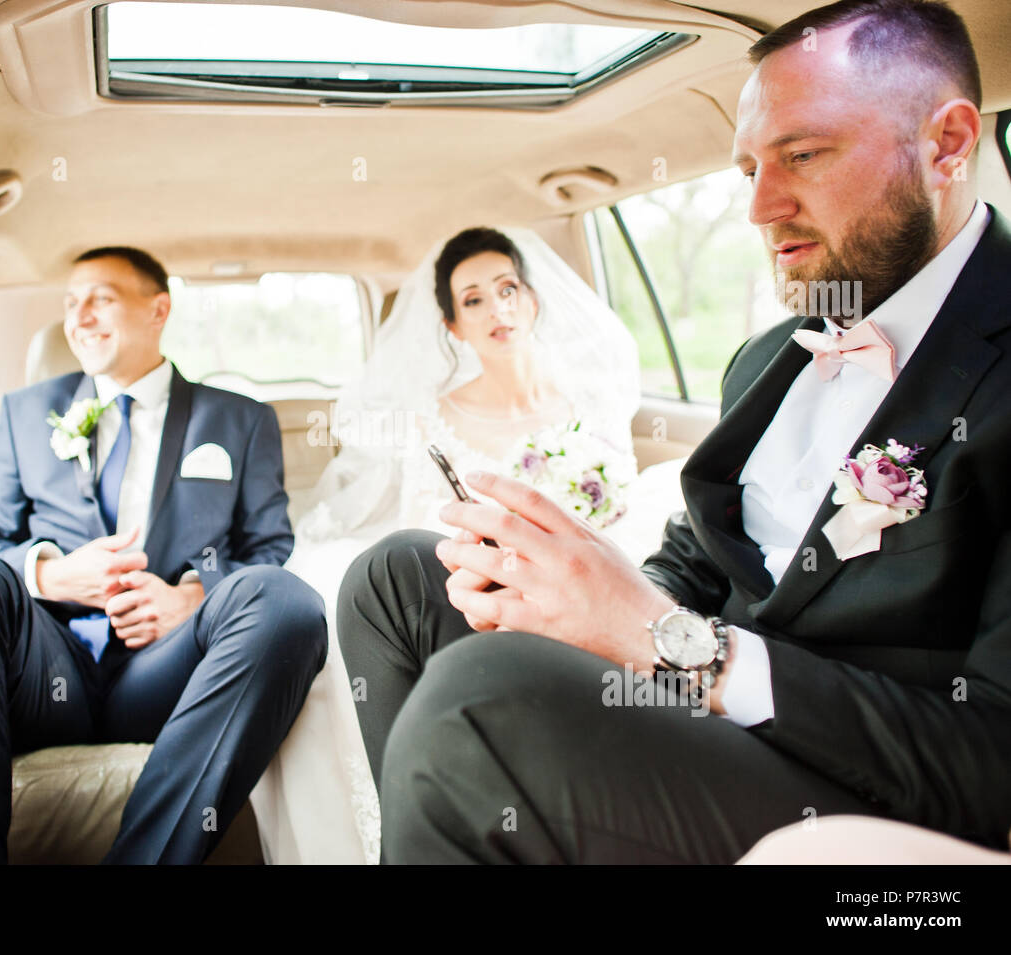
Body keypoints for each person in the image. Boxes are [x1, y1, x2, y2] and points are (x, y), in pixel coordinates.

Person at [339, 0, 1011, 863]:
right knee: (393, 579)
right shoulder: (768, 358)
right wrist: (580, 599)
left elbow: (994, 752)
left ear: (948, 144)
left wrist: (675, 644)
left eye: (803, 155)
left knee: (478, 698)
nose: (762, 209)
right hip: (702, 711)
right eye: (748, 171)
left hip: (862, 783)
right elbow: (693, 562)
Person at [248, 227, 686, 863]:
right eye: (474, 300)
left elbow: (616, 501)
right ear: (453, 326)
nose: (498, 309)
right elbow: (421, 523)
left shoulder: (591, 401)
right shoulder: (430, 418)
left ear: (533, 301)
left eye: (507, 289)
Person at [0, 246, 327, 864]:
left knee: (288, 606)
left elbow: (268, 549)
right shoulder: (24, 413)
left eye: (101, 298)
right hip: (45, 664)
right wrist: (54, 575)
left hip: (166, 670)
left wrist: (191, 596)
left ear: (158, 309)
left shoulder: (240, 421)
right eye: (71, 303)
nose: (79, 317)